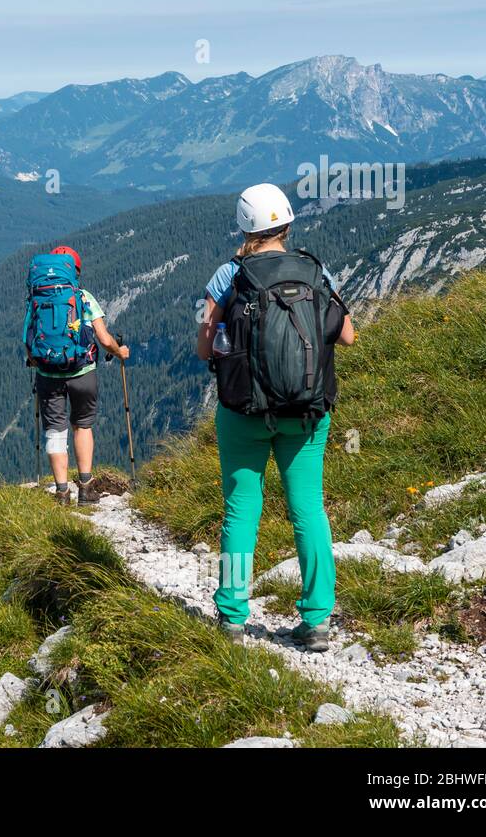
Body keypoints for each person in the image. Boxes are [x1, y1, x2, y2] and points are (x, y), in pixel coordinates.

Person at [196, 183, 355, 652]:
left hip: (243, 411)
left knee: (241, 509)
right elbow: (347, 336)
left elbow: (205, 346)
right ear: (287, 223)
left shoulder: (229, 275)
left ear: (245, 226)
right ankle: (317, 618)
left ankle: (231, 614)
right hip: (307, 412)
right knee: (308, 508)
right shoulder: (313, 269)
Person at [24, 245, 129, 506]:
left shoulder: (37, 299)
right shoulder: (83, 297)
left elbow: (28, 339)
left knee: (55, 431)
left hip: (48, 373)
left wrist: (36, 361)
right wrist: (119, 352)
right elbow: (104, 339)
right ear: (75, 271)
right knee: (82, 426)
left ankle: (61, 492)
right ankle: (85, 488)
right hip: (82, 371)